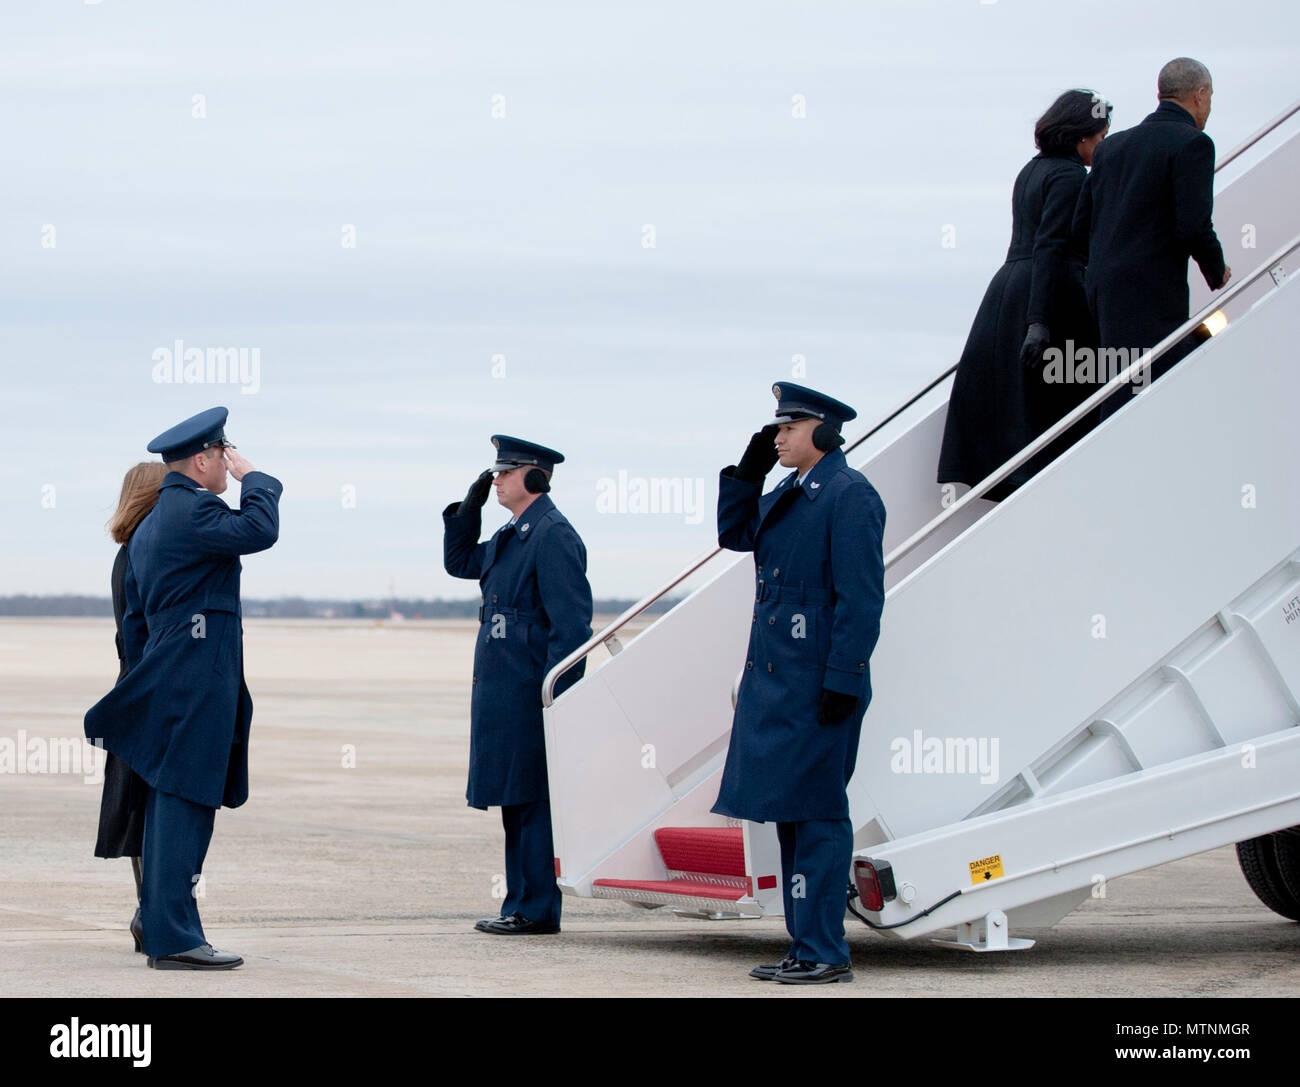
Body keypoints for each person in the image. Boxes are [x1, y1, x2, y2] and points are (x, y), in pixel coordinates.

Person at [84, 406, 283, 969]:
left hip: (176, 676)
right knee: (184, 804)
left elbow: (136, 625)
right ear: (203, 458)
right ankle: (175, 938)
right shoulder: (190, 509)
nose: (228, 464)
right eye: (224, 455)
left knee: (176, 801)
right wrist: (260, 481)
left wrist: (150, 682)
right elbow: (259, 530)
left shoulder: (150, 527)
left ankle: (168, 927)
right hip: (194, 679)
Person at [714, 383, 886, 984]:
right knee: (791, 813)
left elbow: (861, 600)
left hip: (817, 686)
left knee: (817, 815)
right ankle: (803, 944)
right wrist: (747, 472)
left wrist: (844, 677)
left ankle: (825, 951)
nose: (778, 437)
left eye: (788, 428)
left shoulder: (849, 495)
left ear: (823, 431)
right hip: (778, 680)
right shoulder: (791, 491)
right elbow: (736, 535)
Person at [443, 435, 593, 935]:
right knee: (515, 798)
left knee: (532, 801)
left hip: (531, 692)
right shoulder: (514, 534)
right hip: (505, 690)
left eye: (505, 472)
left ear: (534, 478)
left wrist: (559, 700)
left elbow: (571, 629)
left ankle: (535, 909)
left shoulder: (552, 536)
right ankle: (520, 903)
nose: (497, 480)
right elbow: (462, 562)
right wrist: (469, 508)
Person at [939, 89, 1111, 500]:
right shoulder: (1071, 177)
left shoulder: (1031, 170)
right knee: (1063, 397)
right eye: (1101, 136)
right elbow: (1051, 246)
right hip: (1048, 289)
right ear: (1081, 136)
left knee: (1013, 400)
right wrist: (1040, 320)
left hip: (1008, 287)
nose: (1102, 146)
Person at [1071, 57, 1230, 418]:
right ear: (1200, 94)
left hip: (1102, 291)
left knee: (1118, 390)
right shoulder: (1193, 144)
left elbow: (1081, 226)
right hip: (1151, 292)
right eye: (1211, 97)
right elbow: (1193, 224)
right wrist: (1216, 269)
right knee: (1156, 394)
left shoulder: (1111, 148)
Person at [95, 461, 167, 954]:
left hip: (130, 686)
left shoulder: (128, 549)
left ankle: (150, 910)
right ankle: (152, 913)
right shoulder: (147, 549)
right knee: (151, 804)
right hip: (145, 691)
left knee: (138, 804)